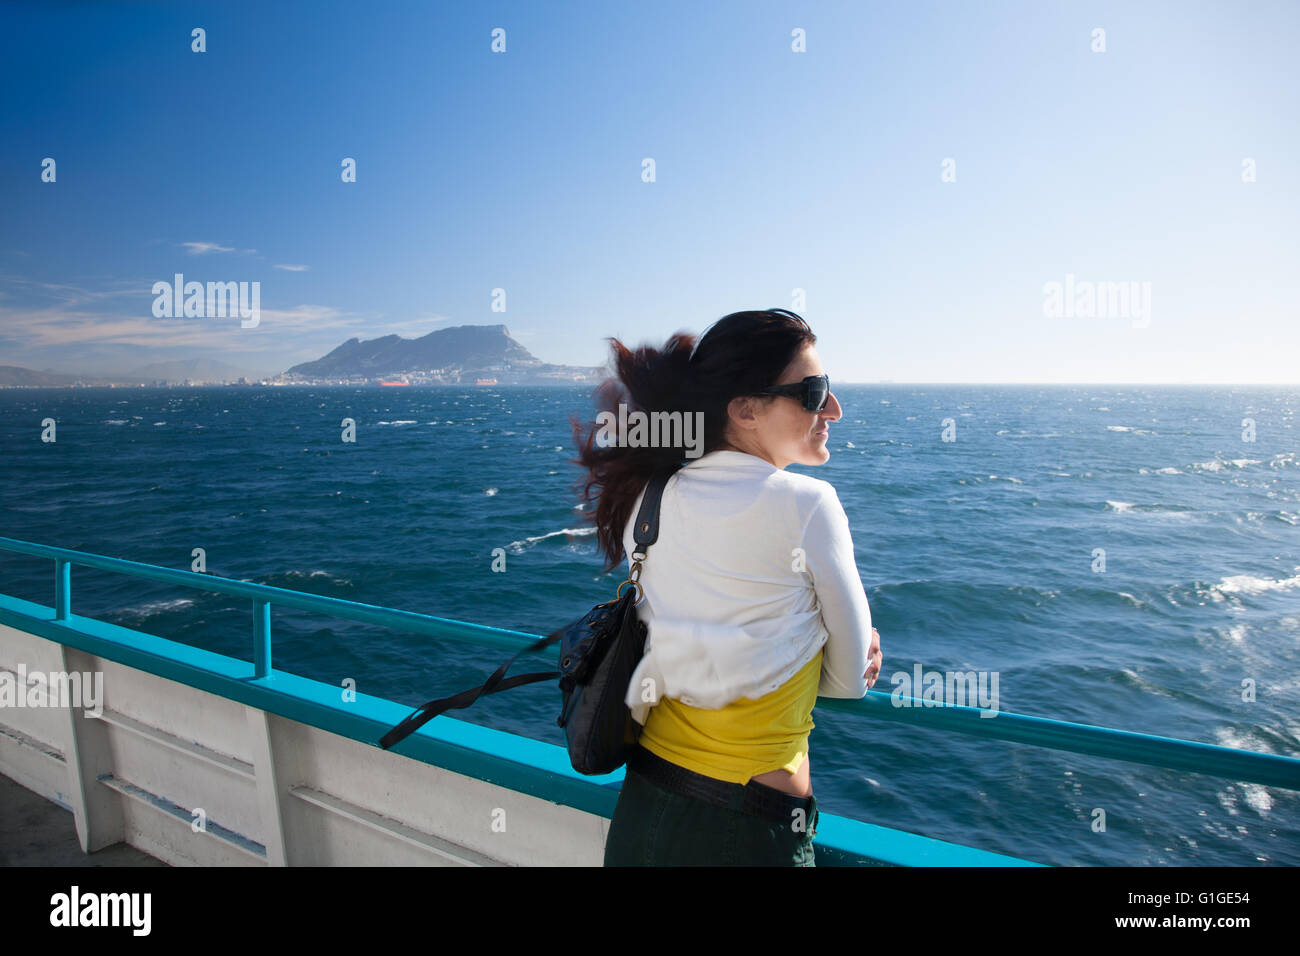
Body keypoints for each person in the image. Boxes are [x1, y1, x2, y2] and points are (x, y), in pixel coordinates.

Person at [571, 308, 882, 866]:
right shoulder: (808, 505)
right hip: (745, 829)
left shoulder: (651, 495)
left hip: (644, 809)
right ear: (742, 409)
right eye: (813, 392)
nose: (833, 407)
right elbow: (852, 681)